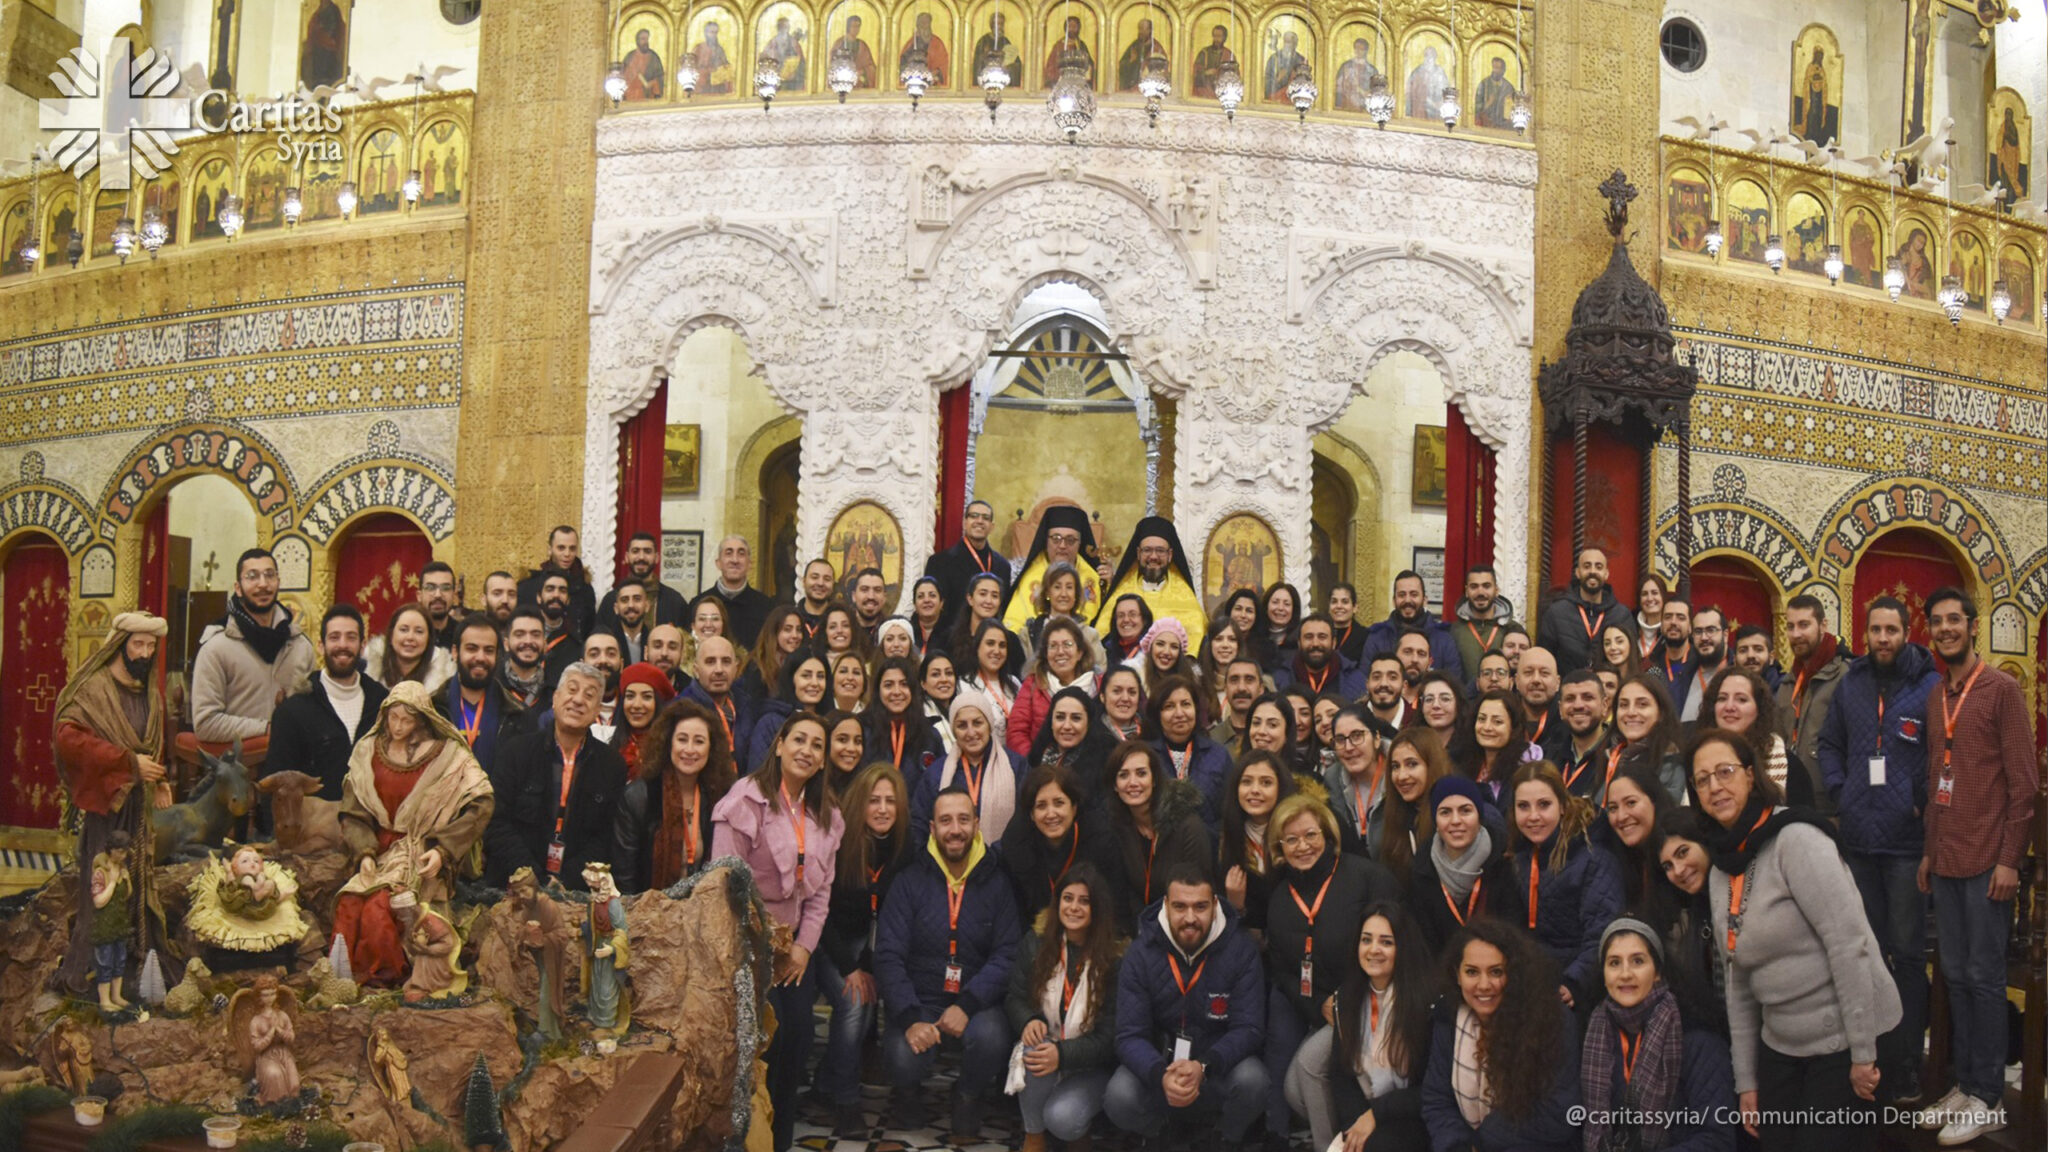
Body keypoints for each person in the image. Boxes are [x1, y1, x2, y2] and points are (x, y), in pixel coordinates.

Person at [1689, 727, 1899, 1152]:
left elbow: (1850, 945)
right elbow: (1738, 981)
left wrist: (1863, 1053)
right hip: (1782, 1042)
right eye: (1703, 779)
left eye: (1725, 772)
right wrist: (1746, 1081)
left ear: (1751, 776)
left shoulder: (1796, 839)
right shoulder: (1719, 870)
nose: (1716, 786)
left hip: (1848, 1036)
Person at [1917, 586, 2037, 1145]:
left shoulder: (2001, 690)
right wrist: (1927, 852)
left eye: (1954, 620)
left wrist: (2011, 860)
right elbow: (1934, 780)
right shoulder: (1938, 694)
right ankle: (1967, 1084)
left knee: (1985, 981)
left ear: (1971, 625)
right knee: (1956, 977)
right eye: (1936, 622)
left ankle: (1988, 1097)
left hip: (1990, 864)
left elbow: (2025, 786)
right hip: (1946, 861)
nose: (1945, 629)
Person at [1813, 595, 1938, 1102]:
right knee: (1866, 951)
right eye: (1876, 630)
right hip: (1860, 842)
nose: (1883, 638)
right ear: (1864, 633)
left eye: (1892, 629)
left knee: (1907, 956)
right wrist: (1842, 791)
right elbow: (1829, 744)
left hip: (1907, 845)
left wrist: (1917, 800)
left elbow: (1940, 751)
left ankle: (1907, 1061)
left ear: (1908, 631)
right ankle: (1873, 1056)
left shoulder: (1929, 686)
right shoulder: (1853, 683)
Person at [712, 710, 844, 1151]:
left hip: (795, 953)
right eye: (799, 740)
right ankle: (745, 1139)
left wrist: (803, 949)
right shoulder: (744, 801)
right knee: (769, 1039)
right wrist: (765, 945)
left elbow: (820, 896)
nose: (807, 751)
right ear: (780, 744)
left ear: (824, 760)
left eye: (817, 746)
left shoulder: (824, 813)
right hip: (748, 946)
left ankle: (780, 1140)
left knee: (799, 1036)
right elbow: (725, 884)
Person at [875, 786, 1021, 1141]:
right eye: (945, 821)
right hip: (919, 999)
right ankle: (908, 1092)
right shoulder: (909, 881)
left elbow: (1007, 953)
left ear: (976, 825)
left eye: (962, 820)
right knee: (899, 1053)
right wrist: (910, 1019)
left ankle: (968, 1095)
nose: (955, 829)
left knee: (992, 1037)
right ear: (932, 828)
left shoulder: (997, 881)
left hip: (975, 1000)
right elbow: (888, 954)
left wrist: (968, 1004)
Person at [1260, 794, 1399, 1147]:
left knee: (1308, 1067)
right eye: (1291, 839)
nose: (1302, 846)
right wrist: (1319, 1003)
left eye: (1311, 835)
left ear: (1328, 835)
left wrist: (1355, 998)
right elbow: (1283, 970)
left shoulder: (1366, 877)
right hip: (1327, 1010)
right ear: (1279, 847)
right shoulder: (1278, 899)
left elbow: (1397, 946)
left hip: (1378, 1001)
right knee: (1294, 1092)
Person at [333, 682, 494, 986]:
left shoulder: (448, 757)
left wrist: (443, 849)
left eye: (406, 720)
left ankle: (386, 978)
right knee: (350, 902)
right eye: (393, 718)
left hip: (419, 854)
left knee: (381, 907)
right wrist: (364, 852)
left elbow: (481, 802)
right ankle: (343, 979)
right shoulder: (368, 752)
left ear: (421, 718)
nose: (398, 726)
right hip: (376, 850)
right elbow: (353, 812)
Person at [1106, 868, 1269, 1149]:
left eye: (1200, 906)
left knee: (1254, 1081)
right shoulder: (1140, 952)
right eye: (1180, 907)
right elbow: (1129, 1035)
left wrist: (1203, 1066)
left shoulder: (1241, 949)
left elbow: (1250, 1028)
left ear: (1216, 905)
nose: (1190, 918)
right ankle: (1161, 1133)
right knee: (1118, 1097)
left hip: (1216, 1065)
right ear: (1166, 905)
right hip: (1160, 1063)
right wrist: (1161, 1074)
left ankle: (1223, 1137)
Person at [53, 612, 172, 992]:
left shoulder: (150, 693)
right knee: (105, 891)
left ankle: (137, 966)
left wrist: (159, 780)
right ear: (119, 644)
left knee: (138, 886)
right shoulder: (93, 690)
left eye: (151, 646)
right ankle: (94, 974)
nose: (145, 652)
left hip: (140, 811)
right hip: (108, 808)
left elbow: (150, 746)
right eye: (137, 644)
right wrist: (125, 764)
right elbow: (68, 740)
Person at [1420, 920, 1581, 1151]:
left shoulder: (1552, 1018)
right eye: (1472, 972)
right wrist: (1458, 1146)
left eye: (1496, 972)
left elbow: (1558, 1114)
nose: (1484, 985)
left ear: (1514, 974)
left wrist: (1480, 1141)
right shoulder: (1448, 1018)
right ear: (1457, 975)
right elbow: (1437, 1100)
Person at [1579, 918, 1738, 1152]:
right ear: (1603, 974)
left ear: (1657, 972)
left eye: (1638, 961)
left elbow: (1718, 1139)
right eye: (1614, 963)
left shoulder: (1697, 1038)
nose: (1625, 974)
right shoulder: (1595, 1031)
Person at [818, 762, 913, 1138]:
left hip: (876, 944)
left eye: (891, 801)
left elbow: (895, 916)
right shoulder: (837, 842)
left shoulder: (905, 847)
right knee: (855, 1005)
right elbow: (819, 913)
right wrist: (851, 966)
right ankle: (845, 1101)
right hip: (830, 942)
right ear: (859, 803)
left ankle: (826, 1082)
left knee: (868, 1000)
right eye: (874, 800)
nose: (883, 809)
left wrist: (872, 963)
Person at [1296, 903, 1438, 1152]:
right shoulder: (1347, 998)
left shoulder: (1427, 1003)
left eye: (1386, 942)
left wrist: (1375, 1115)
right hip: (1366, 1115)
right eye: (1366, 940)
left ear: (1403, 947)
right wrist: (1356, 1123)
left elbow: (1433, 1090)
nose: (1374, 950)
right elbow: (1342, 1076)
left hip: (1417, 1118)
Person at [1007, 863, 1123, 1152]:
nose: (1074, 907)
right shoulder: (1036, 941)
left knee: (1062, 1118)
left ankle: (1076, 1134)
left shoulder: (1114, 958)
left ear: (1097, 907)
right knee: (1033, 1047)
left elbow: (1111, 1037)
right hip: (1047, 1052)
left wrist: (1063, 1054)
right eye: (1067, 898)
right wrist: (1028, 1020)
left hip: (1092, 1066)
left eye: (1084, 901)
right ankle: (1033, 1138)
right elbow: (1015, 997)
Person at [481, 662, 628, 891]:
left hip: (576, 889)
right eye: (571, 690)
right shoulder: (516, 751)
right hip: (513, 884)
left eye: (589, 695)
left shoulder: (611, 765)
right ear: (556, 698)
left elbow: (604, 837)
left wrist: (565, 882)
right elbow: (496, 822)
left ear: (597, 709)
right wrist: (534, 878)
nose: (578, 700)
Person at [1502, 760, 1622, 1010]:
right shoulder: (1520, 858)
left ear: (1564, 806)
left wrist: (1573, 982)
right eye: (1523, 806)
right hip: (1535, 976)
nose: (1533, 816)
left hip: (1580, 987)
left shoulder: (1592, 857)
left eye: (1544, 805)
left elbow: (1602, 932)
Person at [191, 548, 319, 746]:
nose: (263, 584)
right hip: (236, 770)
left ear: (278, 582)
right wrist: (268, 729)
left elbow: (312, 713)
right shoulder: (216, 648)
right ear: (238, 587)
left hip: (291, 769)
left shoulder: (300, 646)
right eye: (252, 577)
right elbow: (206, 723)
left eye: (269, 575)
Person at [267, 605, 389, 801]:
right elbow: (277, 785)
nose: (343, 645)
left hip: (372, 824)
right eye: (334, 637)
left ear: (362, 644)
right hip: (311, 827)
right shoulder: (293, 711)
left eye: (351, 637)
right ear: (320, 646)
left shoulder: (383, 704)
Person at [614, 698, 735, 893]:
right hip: (647, 913)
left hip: (701, 911)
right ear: (667, 743)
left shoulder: (718, 798)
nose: (689, 750)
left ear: (711, 749)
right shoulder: (638, 797)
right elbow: (624, 878)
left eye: (699, 741)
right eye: (682, 739)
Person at [1105, 741, 1212, 931]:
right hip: (1141, 929)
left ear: (1154, 779)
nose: (1133, 783)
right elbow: (1126, 893)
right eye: (1123, 775)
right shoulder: (1117, 828)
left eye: (1141, 773)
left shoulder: (1188, 827)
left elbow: (1200, 894)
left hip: (1186, 928)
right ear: (1114, 785)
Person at [1407, 775, 1511, 958]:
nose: (1456, 820)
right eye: (1445, 812)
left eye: (1465, 811)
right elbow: (1423, 947)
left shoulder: (1503, 866)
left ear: (1479, 816)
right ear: (1435, 822)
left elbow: (1513, 937)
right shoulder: (1421, 872)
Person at [1002, 763, 1118, 924]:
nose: (1051, 814)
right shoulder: (1017, 847)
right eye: (1041, 806)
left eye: (1059, 803)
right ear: (1032, 815)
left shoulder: (1100, 841)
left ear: (1074, 808)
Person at [911, 685, 1027, 844]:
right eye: (962, 725)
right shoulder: (936, 773)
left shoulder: (1017, 766)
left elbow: (1025, 822)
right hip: (947, 863)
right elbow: (919, 826)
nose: (971, 732)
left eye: (977, 723)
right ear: (954, 731)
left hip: (1004, 863)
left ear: (989, 725)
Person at [1775, 593, 1848, 814]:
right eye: (1790, 626)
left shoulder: (1845, 676)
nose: (1796, 634)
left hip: (1831, 804)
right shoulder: (1787, 683)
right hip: (1792, 800)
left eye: (1804, 625)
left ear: (1823, 625)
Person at [1703, 666, 1817, 808]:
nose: (1729, 706)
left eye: (1741, 699)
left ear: (1759, 709)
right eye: (1722, 698)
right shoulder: (1700, 760)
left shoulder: (1791, 766)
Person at [434, 615, 531, 776]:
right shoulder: (433, 709)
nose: (480, 657)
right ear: (455, 652)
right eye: (472, 648)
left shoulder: (519, 716)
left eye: (488, 650)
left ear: (498, 656)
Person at [1097, 515, 1208, 655]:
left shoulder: (1185, 597)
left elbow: (1194, 645)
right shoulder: (1122, 593)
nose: (1153, 557)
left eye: (1160, 551)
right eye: (1147, 550)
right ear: (1138, 553)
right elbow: (1103, 640)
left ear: (1170, 555)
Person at [1598, 760, 1683, 922]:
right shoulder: (1615, 860)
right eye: (1613, 808)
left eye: (1631, 803)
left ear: (1654, 801)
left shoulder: (1679, 852)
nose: (1621, 817)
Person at [1219, 751, 1295, 933]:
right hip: (1248, 945)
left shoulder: (1294, 834)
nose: (1255, 790)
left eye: (1266, 783)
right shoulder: (1226, 838)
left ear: (1280, 788)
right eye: (1246, 782)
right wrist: (1235, 905)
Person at [1005, 505, 1108, 635]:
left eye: (1070, 540)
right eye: (1056, 539)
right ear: (1046, 540)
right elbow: (1013, 626)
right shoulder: (1029, 576)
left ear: (1080, 543)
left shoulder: (1094, 577)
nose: (1062, 546)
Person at [1010, 616, 1100, 756]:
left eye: (1067, 644)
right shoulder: (1033, 684)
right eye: (1053, 646)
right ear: (1046, 654)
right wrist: (1034, 765)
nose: (1060, 652)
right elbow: (1016, 732)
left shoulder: (1098, 685)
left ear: (1080, 652)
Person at [1150, 674, 1231, 830]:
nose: (1179, 713)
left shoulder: (1219, 755)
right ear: (1157, 714)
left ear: (1196, 709)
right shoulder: (1146, 756)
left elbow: (1228, 812)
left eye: (1186, 704)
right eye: (1169, 706)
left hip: (1208, 847)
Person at [1537, 547, 1635, 674]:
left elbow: (1632, 660)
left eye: (1598, 567)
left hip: (1609, 690)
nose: (1592, 571)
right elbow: (1544, 659)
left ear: (1606, 574)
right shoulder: (1556, 613)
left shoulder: (1622, 615)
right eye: (1587, 566)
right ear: (1578, 572)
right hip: (1567, 690)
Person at [925, 500, 1012, 635]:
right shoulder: (940, 563)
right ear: (964, 523)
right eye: (974, 516)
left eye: (985, 518)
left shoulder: (1003, 566)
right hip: (952, 640)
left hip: (990, 639)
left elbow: (1004, 608)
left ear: (992, 526)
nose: (979, 521)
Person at [1378, 728, 1448, 884]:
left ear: (1432, 764)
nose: (1401, 776)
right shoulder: (1393, 813)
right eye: (1395, 766)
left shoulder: (1453, 814)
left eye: (1412, 764)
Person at [1323, 705, 1392, 858]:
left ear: (1376, 738)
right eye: (1340, 740)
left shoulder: (1399, 774)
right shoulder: (1331, 779)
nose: (1348, 747)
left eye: (1357, 736)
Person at [744, 653, 829, 772]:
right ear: (791, 679)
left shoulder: (829, 723)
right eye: (806, 676)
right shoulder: (771, 723)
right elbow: (756, 776)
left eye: (820, 676)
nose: (815, 683)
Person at [1359, 571, 1460, 672]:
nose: (1407, 600)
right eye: (1402, 595)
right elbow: (1364, 681)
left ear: (1424, 600)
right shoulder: (1376, 639)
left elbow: (1453, 683)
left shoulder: (1444, 640)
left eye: (1414, 594)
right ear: (1394, 601)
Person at [680, 636, 754, 768]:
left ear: (736, 668)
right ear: (696, 670)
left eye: (726, 661)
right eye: (710, 662)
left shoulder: (747, 705)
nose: (719, 670)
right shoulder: (681, 710)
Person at [1611, 673, 1685, 802]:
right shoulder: (1609, 756)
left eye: (1642, 704)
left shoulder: (1672, 763)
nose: (1631, 712)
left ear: (1661, 713)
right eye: (1623, 705)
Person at [516, 526, 598, 641]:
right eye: (561, 548)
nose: (567, 554)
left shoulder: (585, 590)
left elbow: (589, 632)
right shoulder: (528, 587)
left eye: (572, 548)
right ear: (550, 549)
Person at [863, 657, 939, 778]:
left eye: (904, 684)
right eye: (888, 685)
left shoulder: (930, 735)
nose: (897, 691)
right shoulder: (864, 731)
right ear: (878, 691)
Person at [598, 531, 687, 631]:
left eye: (647, 551)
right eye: (635, 551)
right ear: (627, 557)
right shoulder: (610, 601)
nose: (641, 557)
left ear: (657, 558)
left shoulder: (674, 601)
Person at [1449, 565, 1519, 684]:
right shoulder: (1454, 631)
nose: (1480, 592)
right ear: (1466, 591)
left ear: (1496, 590)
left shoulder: (1513, 629)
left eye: (1486, 586)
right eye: (1474, 587)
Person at [702, 535, 775, 647]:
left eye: (741, 554)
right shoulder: (700, 604)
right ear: (718, 563)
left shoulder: (767, 607)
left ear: (749, 564)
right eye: (728, 553)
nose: (735, 560)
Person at [365, 603, 455, 694]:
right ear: (391, 634)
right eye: (404, 630)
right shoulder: (368, 669)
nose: (410, 637)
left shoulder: (445, 680)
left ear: (429, 638)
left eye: (419, 631)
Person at [1554, 669, 1613, 801]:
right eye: (1570, 699)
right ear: (1560, 709)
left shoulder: (1619, 757)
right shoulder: (1550, 758)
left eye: (1588, 697)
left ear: (1604, 706)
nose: (1578, 705)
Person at [1278, 614, 1363, 701]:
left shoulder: (1355, 679)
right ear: (1299, 643)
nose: (1315, 643)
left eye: (1322, 637)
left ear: (1333, 643)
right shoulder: (1279, 679)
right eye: (1308, 637)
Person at [607, 661, 675, 769]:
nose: (637, 705)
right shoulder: (608, 744)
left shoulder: (672, 747)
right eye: (630, 696)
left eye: (646, 697)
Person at [739, 604, 805, 701]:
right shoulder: (756, 667)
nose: (795, 635)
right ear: (774, 632)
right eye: (787, 629)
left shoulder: (804, 663)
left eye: (799, 630)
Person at [1678, 605, 1731, 722]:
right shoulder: (1682, 677)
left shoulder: (1739, 673)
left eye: (1710, 630)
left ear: (1725, 635)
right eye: (1698, 631)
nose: (1704, 637)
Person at [1648, 595, 1699, 714]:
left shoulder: (1701, 664)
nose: (1673, 622)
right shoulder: (1650, 667)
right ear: (1661, 625)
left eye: (1680, 618)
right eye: (1668, 617)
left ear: (1690, 627)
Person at [1513, 646, 1564, 759]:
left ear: (1557, 683)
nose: (1536, 680)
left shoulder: (1568, 723)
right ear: (1516, 681)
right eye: (1528, 672)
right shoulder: (1505, 721)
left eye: (1544, 673)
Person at [500, 607, 553, 709]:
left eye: (535, 635)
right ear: (506, 644)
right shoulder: (493, 686)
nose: (528, 641)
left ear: (545, 645)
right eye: (519, 634)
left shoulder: (554, 691)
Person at [1212, 656, 1266, 749]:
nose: (1241, 688)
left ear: (1261, 688)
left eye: (1249, 680)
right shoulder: (1210, 739)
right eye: (1234, 680)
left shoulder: (1270, 737)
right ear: (1225, 688)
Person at [1251, 582, 1303, 675]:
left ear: (1294, 610)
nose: (1280, 608)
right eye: (1275, 602)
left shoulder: (1300, 642)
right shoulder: (1254, 639)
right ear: (1266, 606)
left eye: (1287, 604)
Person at [1414, 672, 1464, 757]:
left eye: (1445, 699)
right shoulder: (1412, 744)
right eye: (1429, 699)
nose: (1436, 705)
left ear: (1458, 703)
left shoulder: (1471, 746)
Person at [920, 649, 960, 755]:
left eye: (949, 673)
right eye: (936, 674)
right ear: (923, 683)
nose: (944, 679)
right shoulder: (920, 719)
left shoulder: (961, 712)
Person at [605, 581, 655, 666]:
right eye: (624, 600)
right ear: (616, 608)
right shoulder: (606, 642)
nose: (631, 605)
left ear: (647, 606)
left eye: (637, 599)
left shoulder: (654, 643)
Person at [417, 561, 462, 650]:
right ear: (419, 596)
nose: (438, 595)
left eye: (445, 588)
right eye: (430, 588)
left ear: (454, 595)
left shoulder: (463, 634)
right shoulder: (409, 635)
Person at [1103, 593, 1156, 666]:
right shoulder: (1105, 651)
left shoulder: (1154, 650)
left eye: (1132, 614)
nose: (1126, 620)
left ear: (1145, 620)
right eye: (1120, 615)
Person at [1098, 664, 1146, 743]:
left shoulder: (1153, 733)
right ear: (1102, 697)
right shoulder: (1090, 736)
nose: (1125, 698)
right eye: (1117, 691)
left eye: (1132, 692)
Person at [1361, 654, 1409, 731]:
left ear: (1404, 686)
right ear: (1367, 685)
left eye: (1392, 677)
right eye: (1376, 677)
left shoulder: (1418, 722)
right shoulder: (1351, 720)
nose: (1383, 684)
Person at [1731, 624, 1782, 691]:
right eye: (1743, 650)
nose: (1750, 655)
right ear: (1734, 660)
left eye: (1758, 649)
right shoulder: (1725, 690)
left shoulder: (1786, 689)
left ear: (1771, 657)